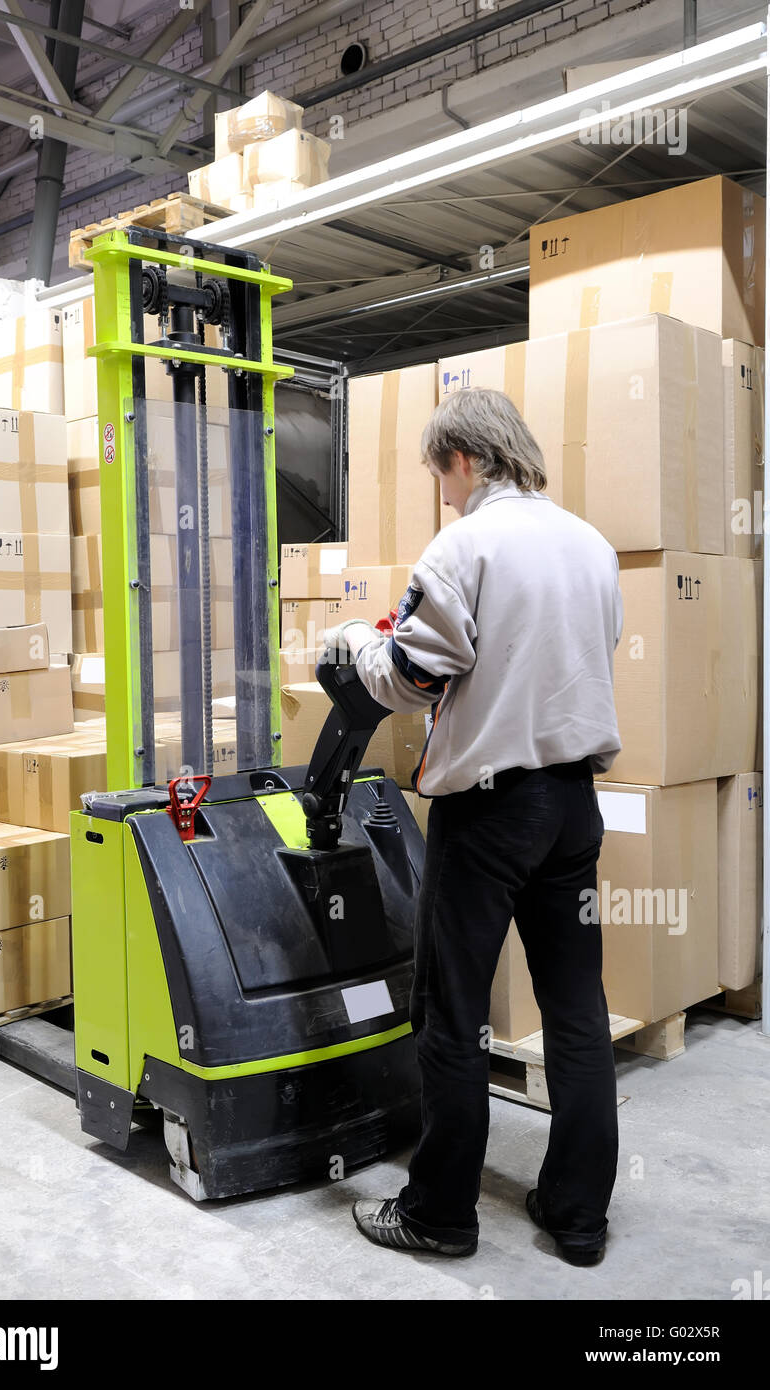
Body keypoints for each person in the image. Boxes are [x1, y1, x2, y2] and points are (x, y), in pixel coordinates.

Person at [324, 387, 623, 1266]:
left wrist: (355, 644)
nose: (440, 493)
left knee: (450, 1014)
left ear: (462, 458)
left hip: (490, 810)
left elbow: (414, 680)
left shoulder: (464, 545)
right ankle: (576, 1214)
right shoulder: (591, 545)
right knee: (575, 1010)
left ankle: (439, 1213)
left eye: (438, 475)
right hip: (572, 807)